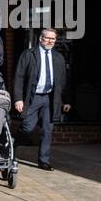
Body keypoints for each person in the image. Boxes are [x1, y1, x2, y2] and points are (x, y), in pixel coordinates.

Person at [13, 28, 70, 171]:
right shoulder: (29, 54)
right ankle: (12, 145)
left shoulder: (58, 57)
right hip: (33, 97)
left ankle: (43, 160)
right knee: (27, 127)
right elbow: (19, 77)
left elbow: (63, 80)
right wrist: (18, 99)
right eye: (47, 38)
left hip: (49, 98)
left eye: (53, 39)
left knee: (47, 130)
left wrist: (65, 100)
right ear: (40, 39)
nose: (50, 41)